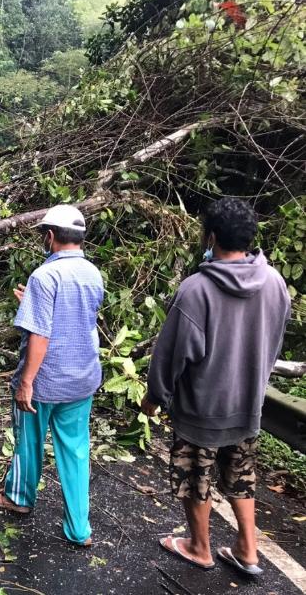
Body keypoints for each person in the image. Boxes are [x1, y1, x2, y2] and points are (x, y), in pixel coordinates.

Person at [142, 198, 290, 576]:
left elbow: (171, 355)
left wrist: (155, 396)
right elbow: (274, 342)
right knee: (241, 475)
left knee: (196, 478)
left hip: (200, 410)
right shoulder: (275, 283)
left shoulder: (196, 290)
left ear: (210, 237)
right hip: (247, 405)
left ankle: (199, 547)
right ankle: (248, 550)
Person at [0, 204, 103, 548]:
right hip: (82, 378)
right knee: (76, 451)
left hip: (46, 381)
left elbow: (40, 334)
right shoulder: (93, 273)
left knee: (29, 441)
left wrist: (26, 382)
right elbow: (75, 315)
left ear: (50, 236)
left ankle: (19, 497)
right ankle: (79, 529)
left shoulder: (44, 276)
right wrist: (31, 302)